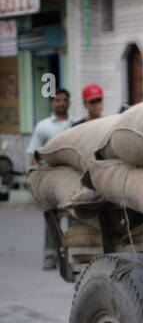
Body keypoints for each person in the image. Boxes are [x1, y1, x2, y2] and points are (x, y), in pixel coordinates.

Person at [28, 87, 74, 269]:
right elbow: (34, 155)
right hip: (50, 178)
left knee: (75, 216)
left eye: (64, 100)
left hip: (71, 178)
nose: (61, 103)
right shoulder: (43, 126)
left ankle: (75, 254)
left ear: (69, 102)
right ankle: (50, 256)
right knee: (52, 219)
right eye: (57, 100)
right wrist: (36, 180)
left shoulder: (75, 124)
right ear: (52, 103)